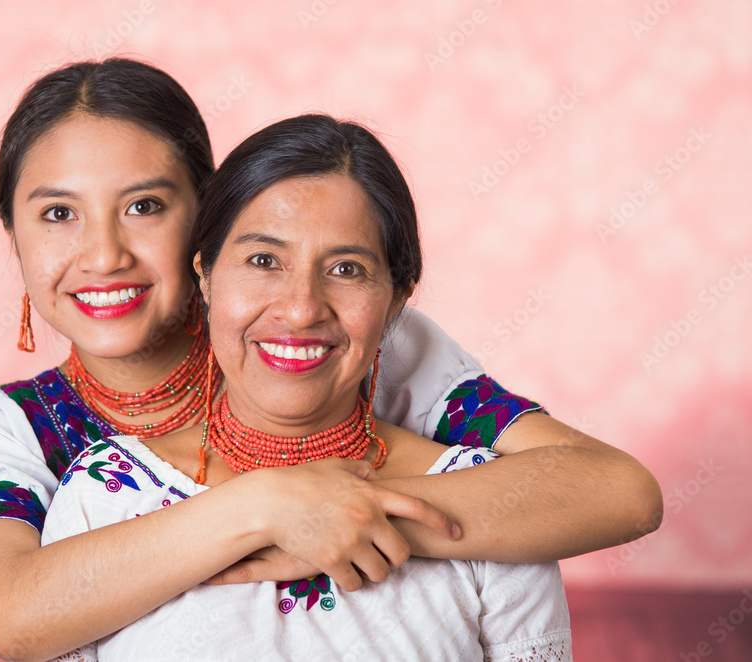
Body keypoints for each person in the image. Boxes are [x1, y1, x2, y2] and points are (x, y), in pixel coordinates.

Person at [0, 59, 660, 661]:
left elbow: (614, 491)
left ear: (204, 222)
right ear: (12, 236)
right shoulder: (12, 430)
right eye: (57, 214)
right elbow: (15, 615)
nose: (104, 255)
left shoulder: (355, 346)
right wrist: (266, 505)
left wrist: (358, 513)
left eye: (145, 206)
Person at [40, 113, 573, 661]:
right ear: (206, 274)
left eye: (346, 270)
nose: (300, 309)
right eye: (263, 260)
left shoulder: (501, 513)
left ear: (396, 299)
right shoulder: (104, 496)